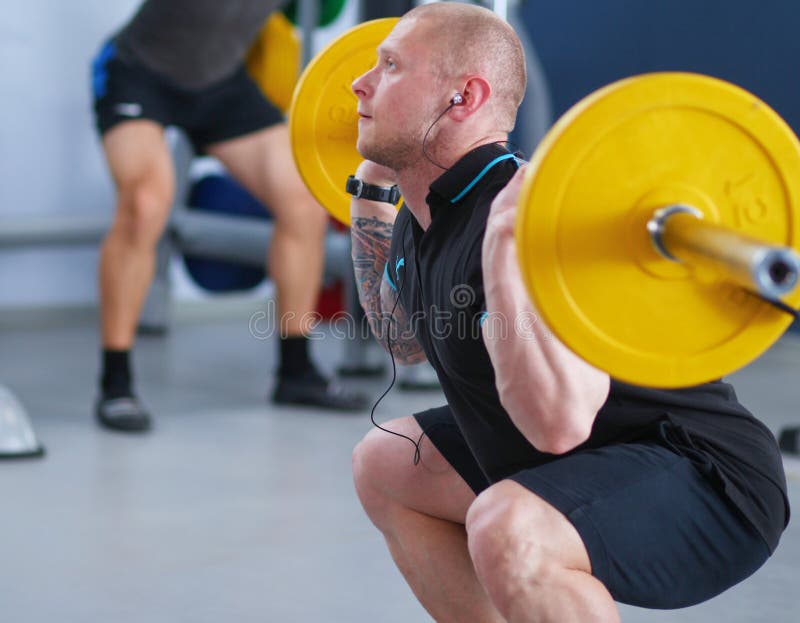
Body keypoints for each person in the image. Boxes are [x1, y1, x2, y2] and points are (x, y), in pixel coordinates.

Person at [347, 3, 789, 621]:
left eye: (389, 66)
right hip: (575, 457)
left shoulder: (523, 218)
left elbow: (558, 428)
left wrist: (507, 247)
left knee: (508, 527)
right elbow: (403, 342)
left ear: (463, 98)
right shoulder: (431, 209)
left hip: (705, 478)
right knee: (387, 461)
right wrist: (368, 193)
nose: (357, 82)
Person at [90, 0, 368, 432]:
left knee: (303, 198)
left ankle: (296, 372)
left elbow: (324, 13)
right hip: (137, 75)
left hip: (221, 83)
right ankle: (116, 381)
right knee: (145, 203)